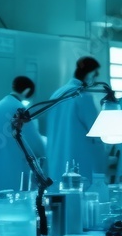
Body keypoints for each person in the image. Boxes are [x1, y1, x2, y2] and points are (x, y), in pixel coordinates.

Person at [0, 75, 45, 193]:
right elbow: (36, 144)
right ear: (27, 91)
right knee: (15, 197)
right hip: (14, 165)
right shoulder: (19, 109)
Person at [44, 56, 107, 188]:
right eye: (95, 74)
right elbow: (96, 131)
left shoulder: (57, 94)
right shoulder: (83, 96)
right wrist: (105, 156)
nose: (96, 80)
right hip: (77, 164)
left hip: (56, 162)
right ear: (90, 74)